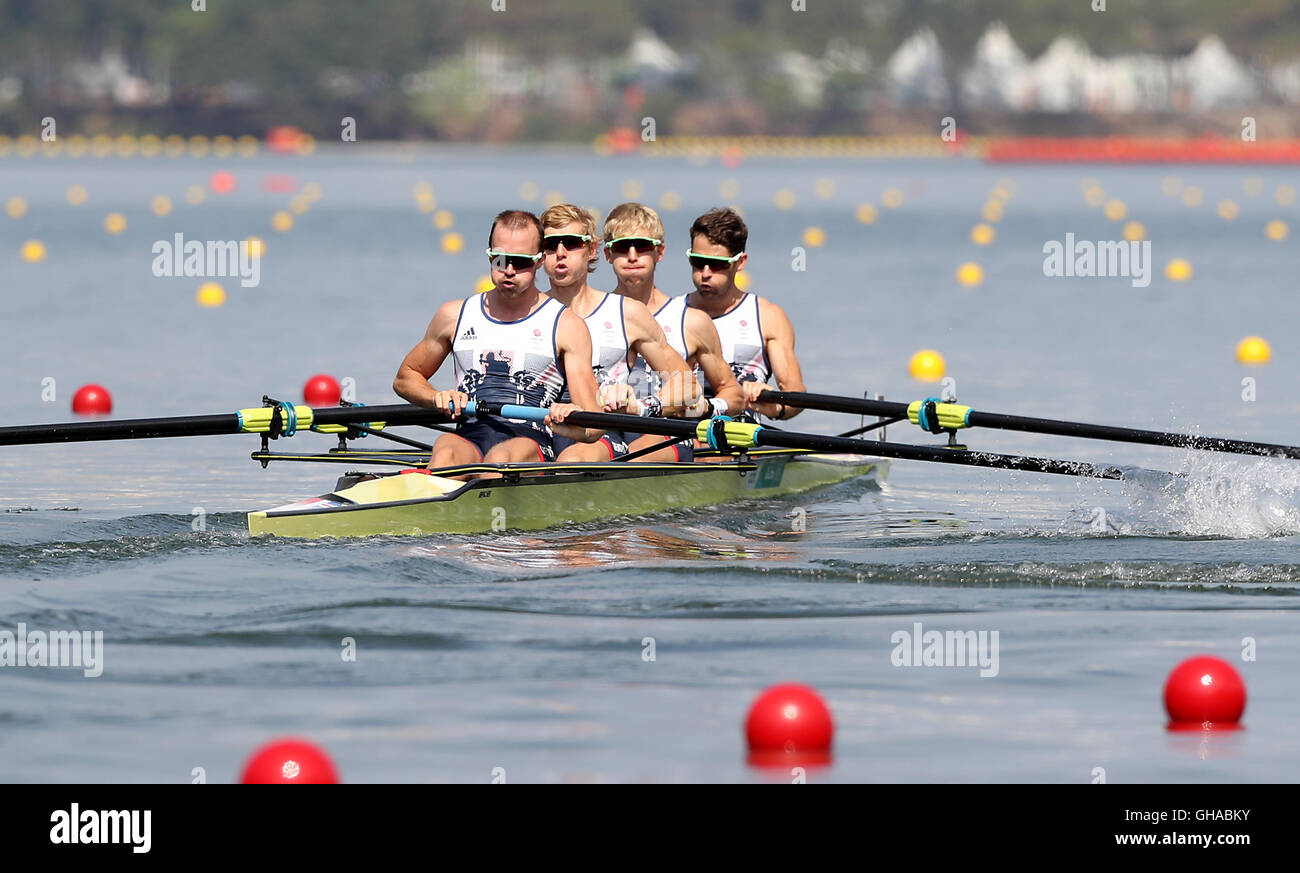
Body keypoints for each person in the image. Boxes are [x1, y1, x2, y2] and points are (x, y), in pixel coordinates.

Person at [392, 209, 603, 469]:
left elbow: (593, 426)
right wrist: (435, 397)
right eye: (501, 260)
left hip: (532, 441)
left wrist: (568, 416)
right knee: (445, 448)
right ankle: (432, 500)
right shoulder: (454, 315)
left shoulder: (566, 326)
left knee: (499, 459)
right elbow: (405, 378)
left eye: (521, 262)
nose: (510, 270)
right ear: (490, 256)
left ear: (539, 261)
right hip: (471, 434)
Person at [537, 203, 700, 462]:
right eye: (550, 244)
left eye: (570, 243)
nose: (560, 252)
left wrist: (642, 406)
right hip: (539, 430)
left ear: (591, 251)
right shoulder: (525, 313)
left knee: (573, 460)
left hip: (602, 435)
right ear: (540, 255)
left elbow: (688, 386)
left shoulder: (627, 313)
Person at [604, 202, 744, 462]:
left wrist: (708, 406)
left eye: (643, 247)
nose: (632, 256)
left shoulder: (691, 321)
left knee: (633, 456)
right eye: (622, 247)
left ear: (660, 252)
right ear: (607, 255)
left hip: (669, 433)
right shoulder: (589, 318)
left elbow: (733, 394)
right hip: (605, 433)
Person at [683, 207, 806, 423]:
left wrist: (773, 408)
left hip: (739, 428)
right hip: (680, 425)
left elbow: (795, 395)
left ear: (740, 263)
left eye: (717, 264)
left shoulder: (768, 317)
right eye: (697, 262)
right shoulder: (672, 312)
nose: (705, 273)